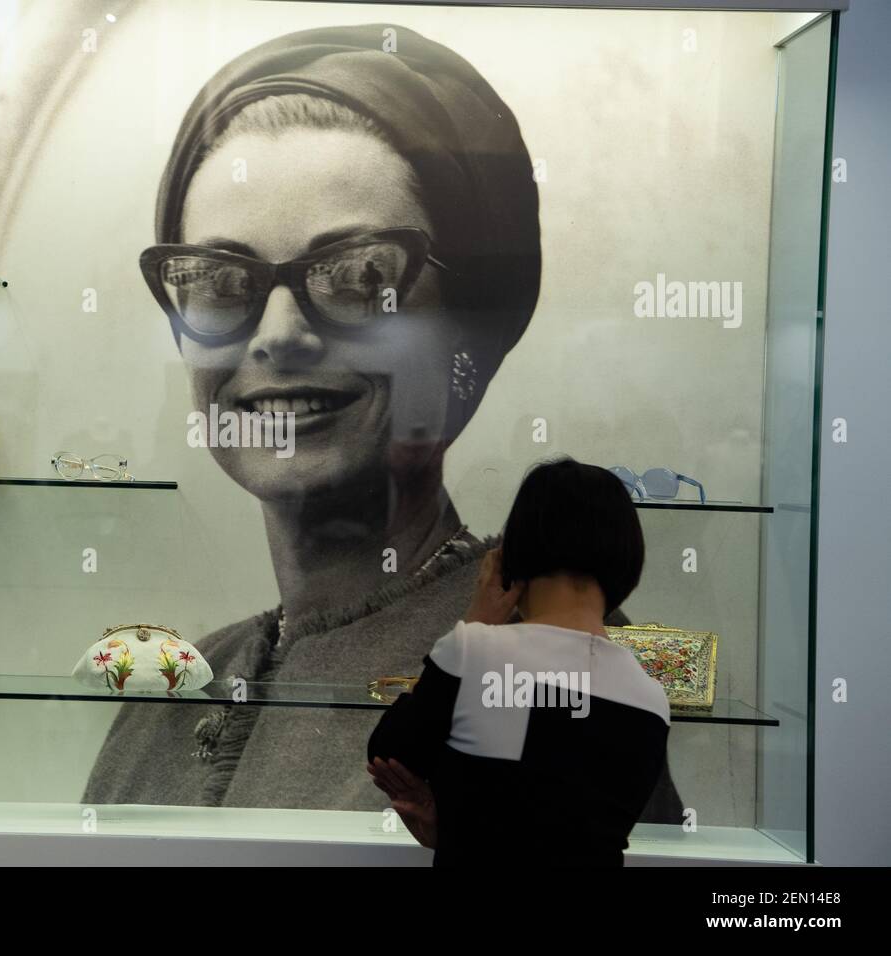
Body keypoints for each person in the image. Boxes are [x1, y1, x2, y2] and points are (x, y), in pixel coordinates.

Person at [84, 23, 681, 821]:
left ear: (464, 324)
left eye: (358, 276)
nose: (279, 335)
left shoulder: (545, 653)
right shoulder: (182, 682)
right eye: (223, 282)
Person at [367, 458, 671, 865]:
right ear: (628, 558)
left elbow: (389, 755)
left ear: (513, 554)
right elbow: (575, 831)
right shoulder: (651, 698)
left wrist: (475, 620)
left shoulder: (476, 651)